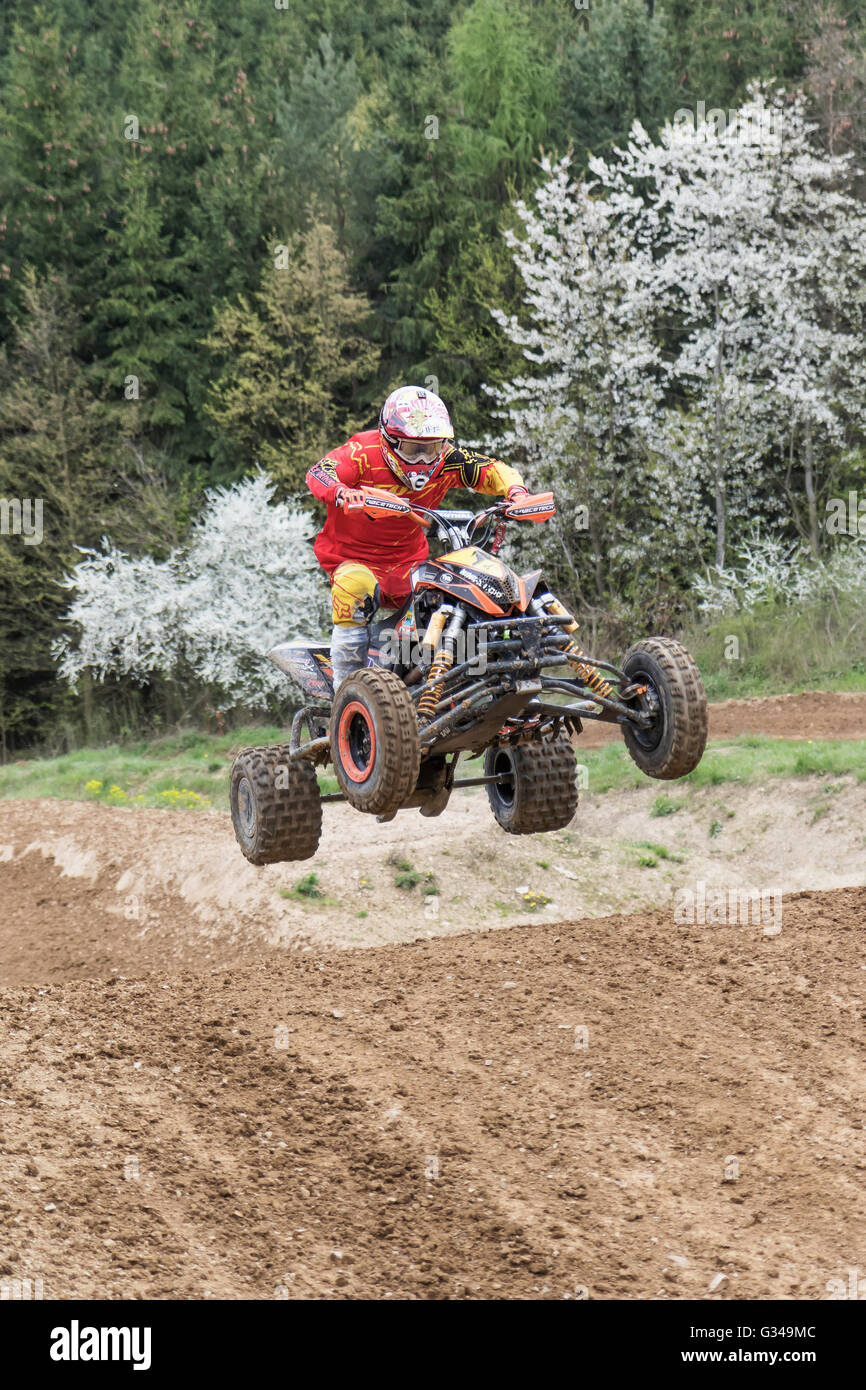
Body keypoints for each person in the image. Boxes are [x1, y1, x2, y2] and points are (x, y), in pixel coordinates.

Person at [306, 384, 538, 688]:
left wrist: (516, 492)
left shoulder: (447, 461)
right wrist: (341, 492)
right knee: (355, 585)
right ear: (389, 441)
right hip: (353, 558)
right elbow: (320, 472)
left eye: (432, 448)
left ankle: (451, 681)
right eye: (412, 449)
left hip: (407, 565)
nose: (423, 460)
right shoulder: (361, 453)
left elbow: (491, 469)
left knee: (450, 594)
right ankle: (347, 689)